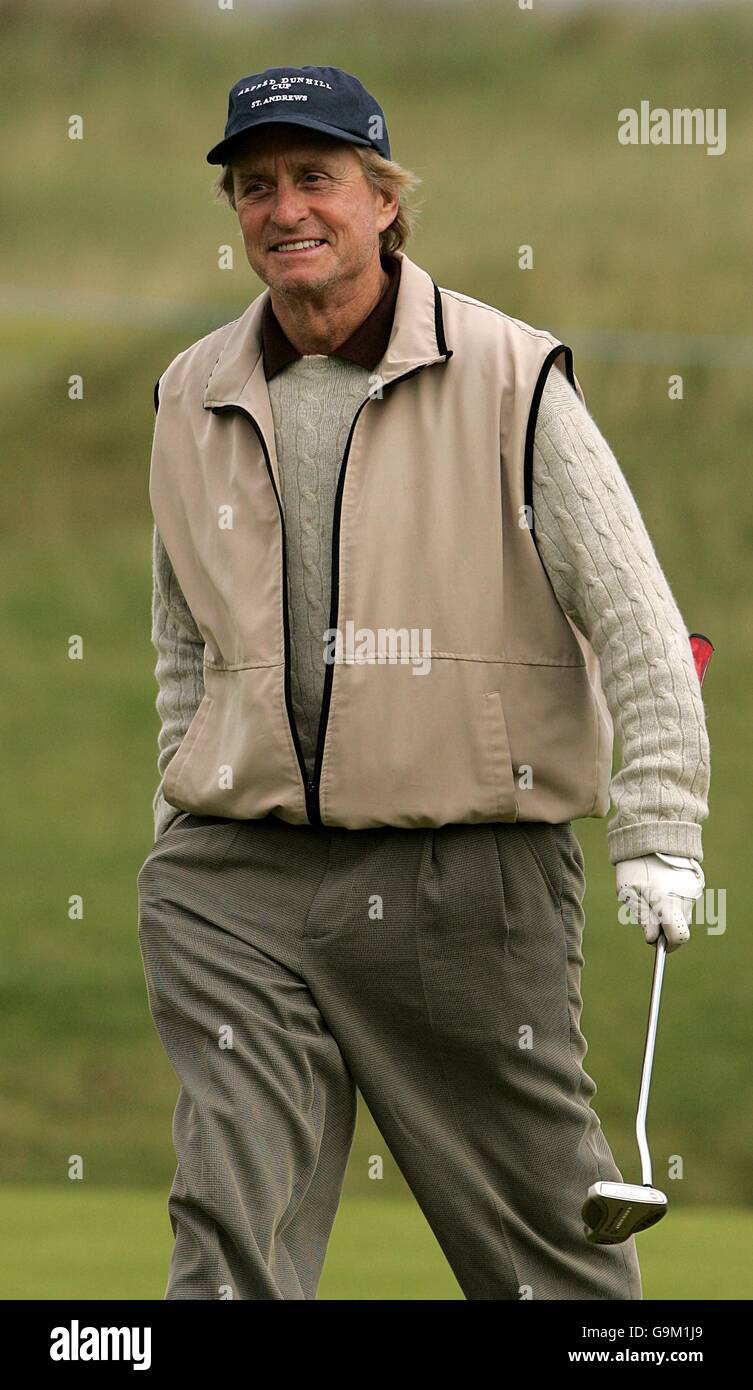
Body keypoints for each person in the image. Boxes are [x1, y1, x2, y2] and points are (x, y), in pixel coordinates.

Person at [136, 65, 710, 1301]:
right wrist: (180, 815)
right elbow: (186, 643)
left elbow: (639, 621)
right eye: (255, 187)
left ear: (385, 201)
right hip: (237, 881)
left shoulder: (511, 377)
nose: (284, 208)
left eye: (315, 179)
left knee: (541, 1261)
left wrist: (659, 826)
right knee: (226, 1228)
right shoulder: (189, 394)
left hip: (468, 882)